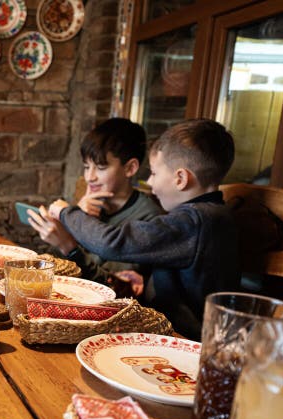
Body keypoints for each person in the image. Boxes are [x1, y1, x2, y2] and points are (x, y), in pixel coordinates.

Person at [44, 119, 240, 340]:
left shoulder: (193, 221)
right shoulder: (211, 216)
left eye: (154, 173)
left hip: (184, 340)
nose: (150, 183)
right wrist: (145, 282)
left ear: (181, 179)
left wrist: (67, 212)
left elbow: (112, 242)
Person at [28, 118, 163, 286]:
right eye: (86, 167)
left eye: (101, 168)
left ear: (130, 168)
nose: (89, 177)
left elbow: (113, 285)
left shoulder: (148, 219)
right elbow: (55, 267)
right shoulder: (89, 204)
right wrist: (73, 220)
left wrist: (68, 245)